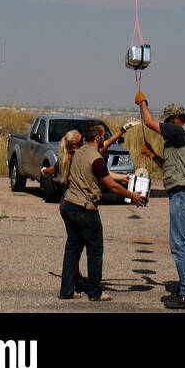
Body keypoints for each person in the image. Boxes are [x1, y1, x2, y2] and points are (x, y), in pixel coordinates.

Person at [59, 121, 145, 301]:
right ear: (98, 138)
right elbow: (111, 186)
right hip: (84, 208)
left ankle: (66, 291)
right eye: (104, 136)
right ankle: (95, 292)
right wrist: (132, 195)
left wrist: (122, 177)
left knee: (72, 249)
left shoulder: (81, 152)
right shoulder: (96, 158)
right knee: (95, 249)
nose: (105, 139)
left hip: (68, 205)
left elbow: (101, 172)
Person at [136, 92, 185, 309]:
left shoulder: (179, 131)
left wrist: (142, 102)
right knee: (184, 244)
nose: (166, 124)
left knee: (179, 244)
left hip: (182, 195)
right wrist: (153, 155)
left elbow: (148, 122)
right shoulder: (182, 138)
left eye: (168, 120)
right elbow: (171, 167)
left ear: (176, 118)